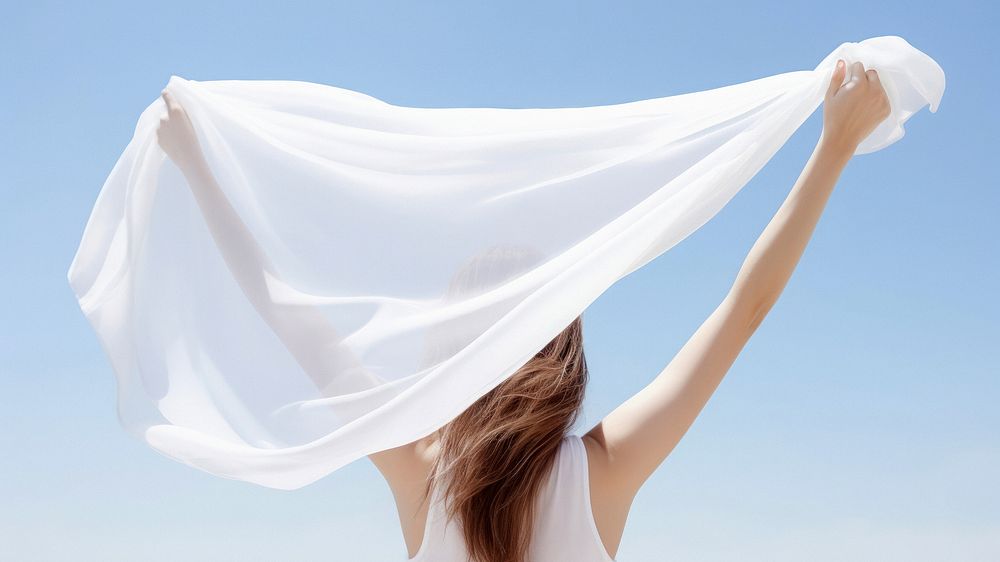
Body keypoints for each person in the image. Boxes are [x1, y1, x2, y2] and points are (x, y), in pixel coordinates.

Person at [156, 58, 890, 562]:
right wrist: (832, 149)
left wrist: (197, 169)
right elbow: (745, 307)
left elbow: (292, 317)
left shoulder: (418, 471)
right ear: (562, 353)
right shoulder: (603, 468)